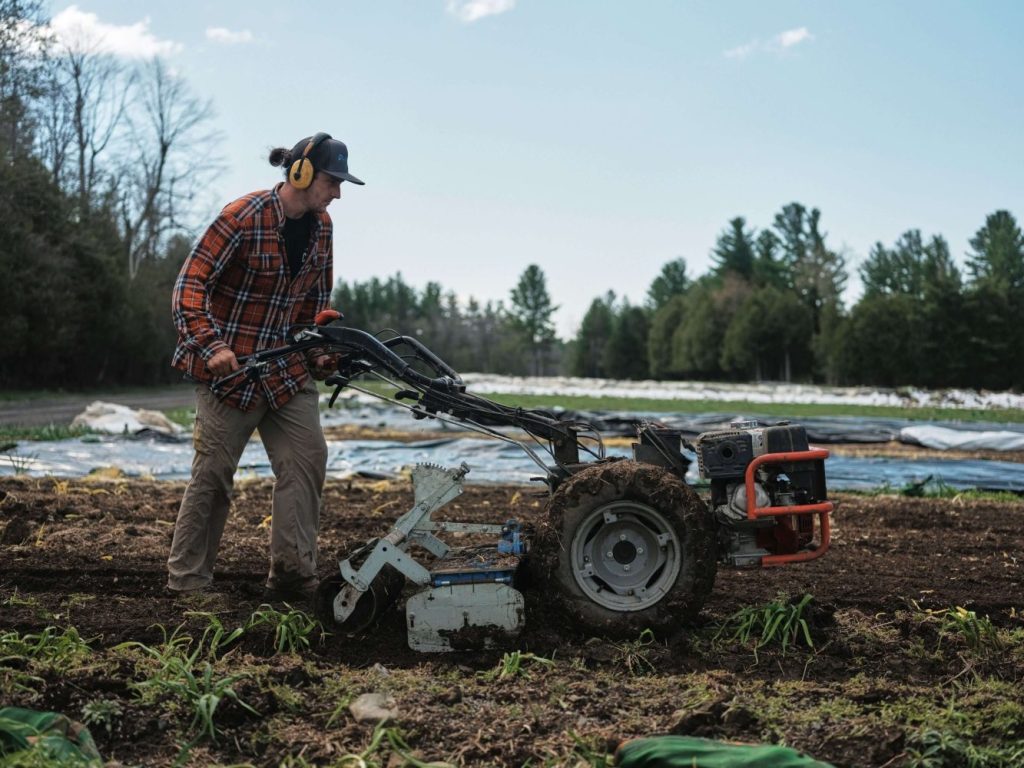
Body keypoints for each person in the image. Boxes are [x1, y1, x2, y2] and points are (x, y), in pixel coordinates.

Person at [167, 132, 364, 601]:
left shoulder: (323, 228)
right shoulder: (243, 218)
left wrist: (319, 352)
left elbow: (313, 305)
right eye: (333, 182)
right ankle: (188, 582)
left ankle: (294, 576)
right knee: (213, 475)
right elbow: (188, 287)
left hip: (285, 371)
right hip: (230, 374)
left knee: (307, 459)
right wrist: (211, 345)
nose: (337, 193)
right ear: (300, 172)